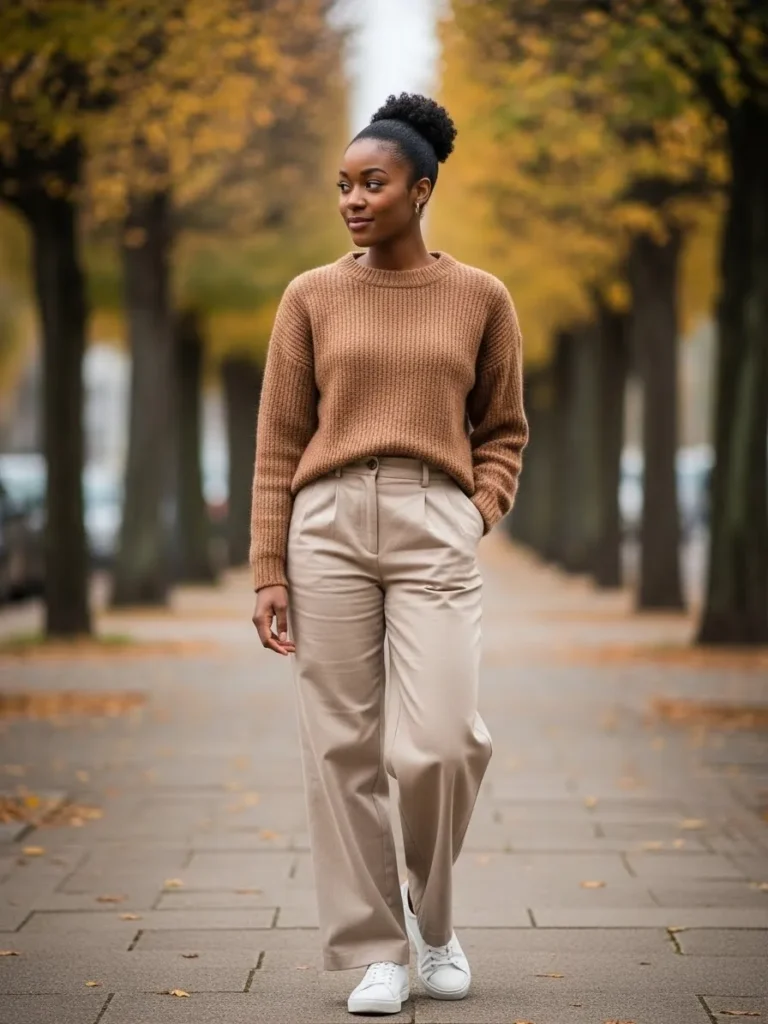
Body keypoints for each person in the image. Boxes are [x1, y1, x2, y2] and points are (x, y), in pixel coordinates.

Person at [250, 92, 528, 1015]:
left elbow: (505, 427)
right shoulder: (311, 296)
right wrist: (268, 569)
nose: (353, 200)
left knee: (442, 743)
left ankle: (433, 920)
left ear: (422, 187)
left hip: (431, 517)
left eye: (373, 183)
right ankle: (377, 950)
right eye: (343, 185)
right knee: (342, 747)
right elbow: (280, 440)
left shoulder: (482, 296)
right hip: (324, 520)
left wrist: (476, 510)